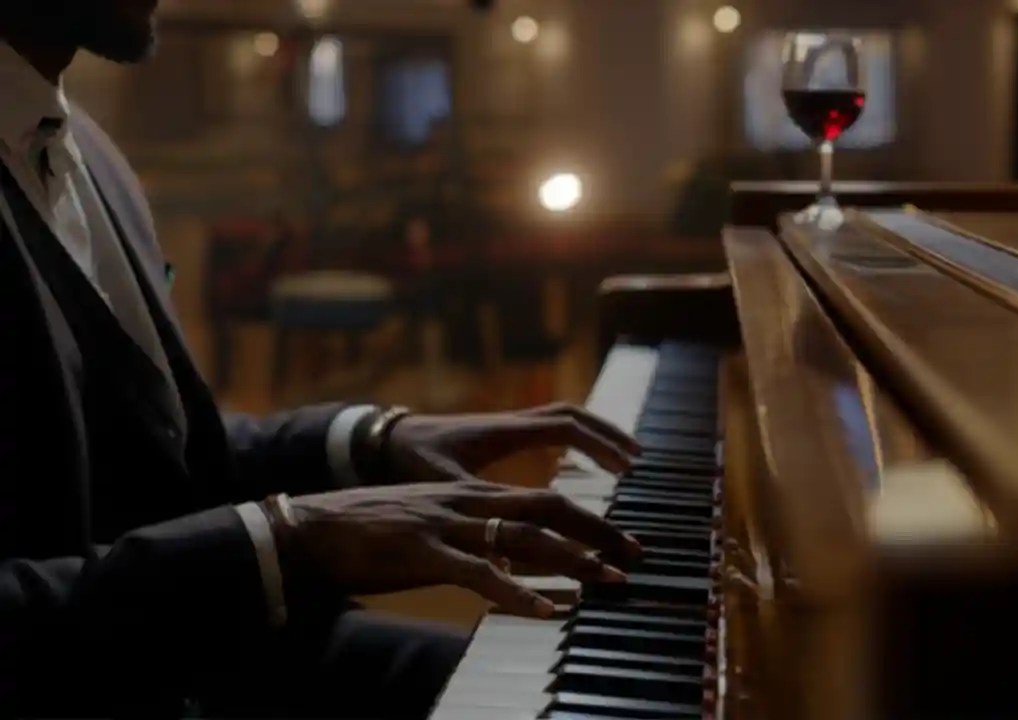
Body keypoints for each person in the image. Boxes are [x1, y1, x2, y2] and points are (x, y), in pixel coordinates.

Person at [0, 1, 643, 717]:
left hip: (195, 650)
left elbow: (163, 453)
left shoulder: (86, 144)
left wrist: (372, 440)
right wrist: (284, 542)